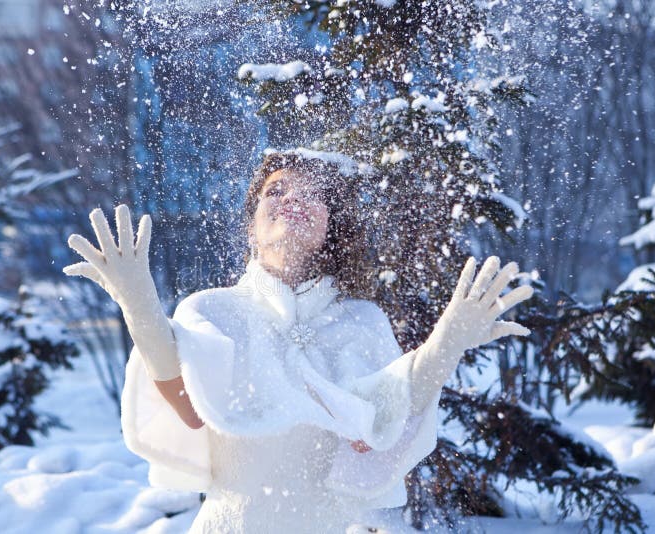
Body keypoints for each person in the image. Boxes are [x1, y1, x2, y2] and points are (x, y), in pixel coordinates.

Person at [63, 151, 534, 533]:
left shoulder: (362, 322)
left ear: (331, 229)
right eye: (277, 189)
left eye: (314, 194)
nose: (294, 198)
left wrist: (447, 344)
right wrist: (140, 307)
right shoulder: (212, 311)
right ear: (251, 227)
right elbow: (187, 409)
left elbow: (387, 422)